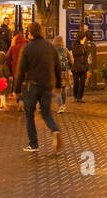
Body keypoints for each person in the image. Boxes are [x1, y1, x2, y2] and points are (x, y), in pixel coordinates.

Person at [13, 21, 62, 155]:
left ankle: (33, 144)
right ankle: (55, 130)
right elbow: (57, 67)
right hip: (47, 85)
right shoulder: (50, 47)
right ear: (41, 31)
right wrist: (58, 85)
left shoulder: (28, 48)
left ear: (30, 33)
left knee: (29, 114)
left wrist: (16, 90)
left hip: (33, 85)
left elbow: (20, 71)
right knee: (46, 113)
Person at [71, 27, 95, 103]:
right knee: (76, 83)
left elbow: (86, 54)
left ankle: (79, 97)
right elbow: (76, 53)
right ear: (81, 37)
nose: (85, 39)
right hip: (77, 67)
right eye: (84, 37)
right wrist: (81, 45)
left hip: (84, 66)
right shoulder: (75, 44)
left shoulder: (84, 44)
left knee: (82, 83)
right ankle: (75, 97)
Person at [52, 34, 72, 114]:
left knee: (57, 90)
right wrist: (68, 67)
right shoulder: (65, 49)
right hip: (65, 72)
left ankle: (60, 106)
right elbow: (71, 60)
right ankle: (63, 104)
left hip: (56, 73)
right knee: (63, 88)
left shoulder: (52, 50)